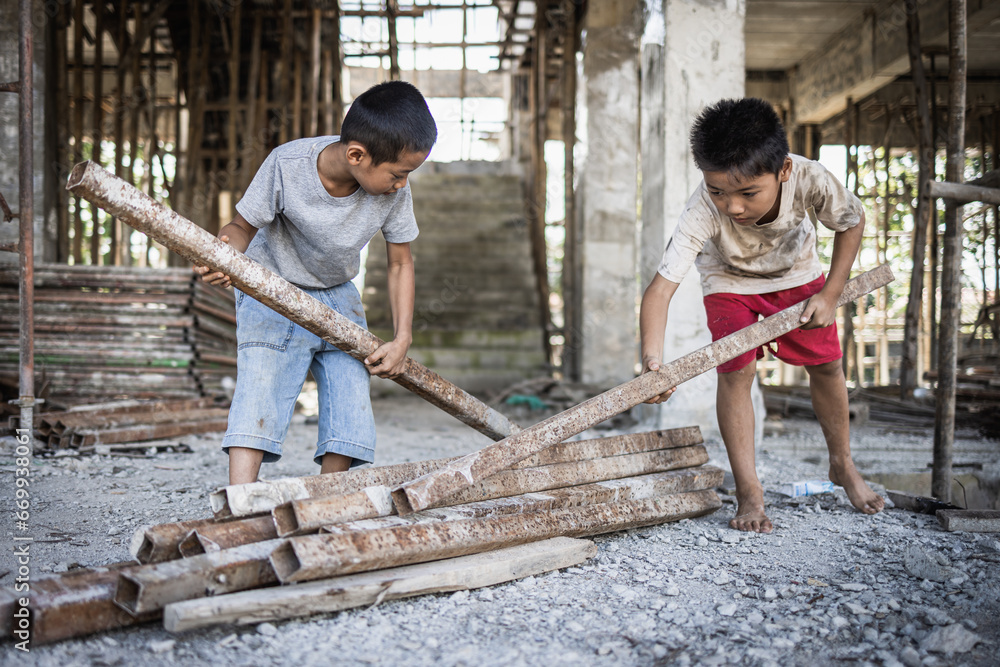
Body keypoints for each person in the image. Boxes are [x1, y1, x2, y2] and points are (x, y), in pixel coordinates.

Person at [639, 97, 885, 533]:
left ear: (783, 170)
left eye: (748, 193)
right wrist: (652, 362)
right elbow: (660, 290)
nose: (731, 206)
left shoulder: (809, 177)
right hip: (728, 282)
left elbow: (851, 221)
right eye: (718, 190)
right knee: (736, 372)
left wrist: (829, 294)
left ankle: (842, 464)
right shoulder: (701, 210)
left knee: (827, 365)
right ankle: (749, 491)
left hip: (796, 273)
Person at [195, 80, 436, 485]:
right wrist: (224, 255)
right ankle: (240, 498)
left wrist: (403, 338)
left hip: (338, 293)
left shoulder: (393, 192)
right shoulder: (287, 164)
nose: (402, 184)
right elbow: (240, 228)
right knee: (262, 383)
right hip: (269, 286)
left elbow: (400, 263)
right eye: (398, 174)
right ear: (357, 155)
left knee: (350, 391)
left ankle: (327, 494)